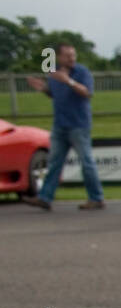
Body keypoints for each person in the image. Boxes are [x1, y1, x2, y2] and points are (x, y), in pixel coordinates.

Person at [22, 43, 104, 210]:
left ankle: (96, 198)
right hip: (60, 125)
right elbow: (54, 94)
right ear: (59, 57)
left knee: (86, 162)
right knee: (54, 163)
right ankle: (45, 197)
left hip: (79, 125)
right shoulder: (53, 75)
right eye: (67, 55)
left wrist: (69, 81)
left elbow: (87, 93)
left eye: (73, 55)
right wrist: (43, 88)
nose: (71, 58)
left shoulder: (82, 72)